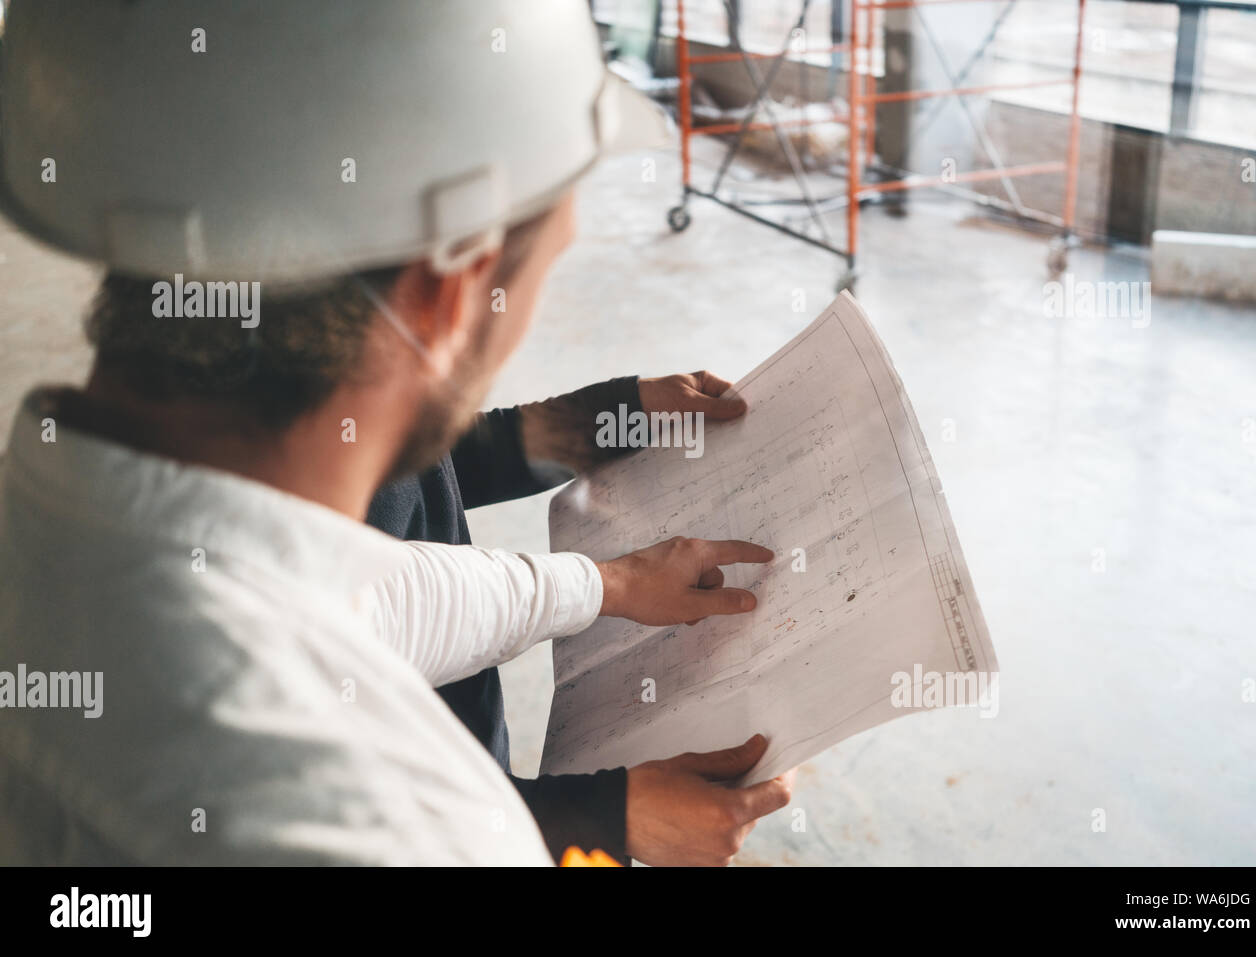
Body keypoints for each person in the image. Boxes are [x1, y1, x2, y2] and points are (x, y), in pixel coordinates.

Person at [0, 0, 793, 864]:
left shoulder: (83, 525)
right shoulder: (403, 832)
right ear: (451, 293)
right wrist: (598, 820)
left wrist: (608, 556)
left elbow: (387, 580)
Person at [369, 370, 795, 865]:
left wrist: (616, 415)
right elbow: (351, 820)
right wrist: (604, 819)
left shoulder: (309, 392)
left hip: (473, 765)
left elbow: (426, 463)